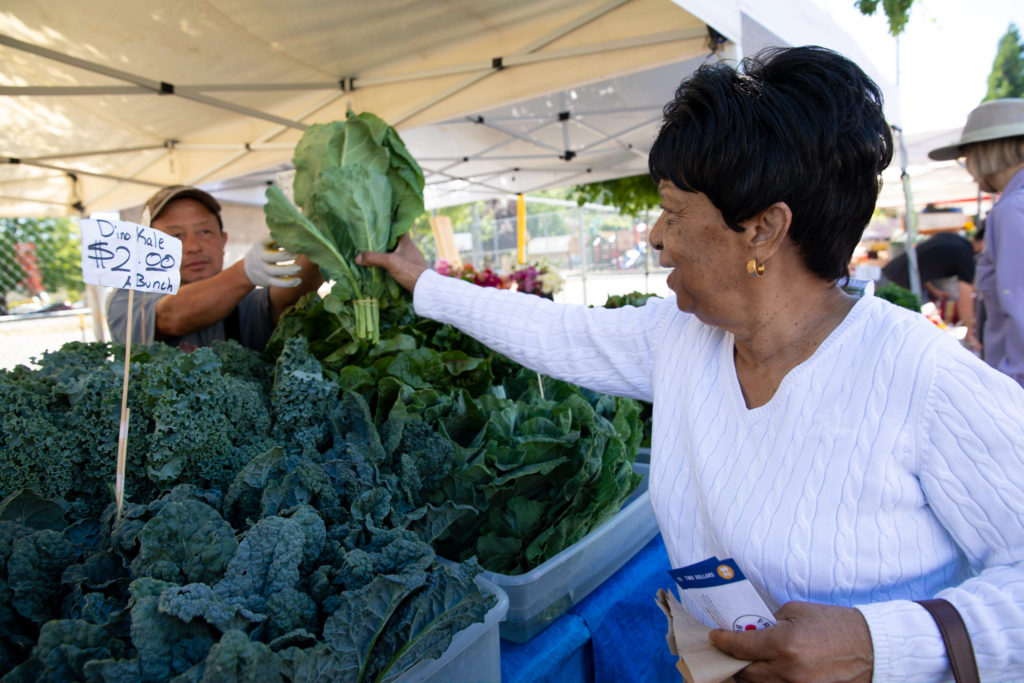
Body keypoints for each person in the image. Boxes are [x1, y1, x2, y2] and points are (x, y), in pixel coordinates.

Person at [358, 47, 1024, 681]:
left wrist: (880, 646)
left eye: (673, 210)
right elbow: (556, 331)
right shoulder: (682, 339)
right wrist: (426, 284)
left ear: (763, 227)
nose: (653, 235)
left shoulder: (923, 378)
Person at [106, 185, 322, 351]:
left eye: (205, 232)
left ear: (223, 240)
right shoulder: (129, 300)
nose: (193, 247)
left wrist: (324, 243)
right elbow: (170, 316)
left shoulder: (243, 300)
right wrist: (244, 272)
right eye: (176, 236)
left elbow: (286, 296)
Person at [929, 98, 1024, 388]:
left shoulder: (1012, 208)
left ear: (984, 151)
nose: (968, 165)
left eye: (966, 155)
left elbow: (1018, 308)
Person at [879, 229, 984, 345]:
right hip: (897, 285)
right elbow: (965, 300)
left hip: (889, 273)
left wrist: (933, 290)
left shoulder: (950, 236)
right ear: (985, 242)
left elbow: (922, 261)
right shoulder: (965, 257)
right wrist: (970, 332)